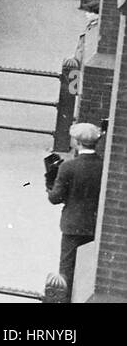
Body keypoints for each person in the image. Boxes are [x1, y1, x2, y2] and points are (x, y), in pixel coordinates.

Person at [46, 123, 104, 288]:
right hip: (94, 225)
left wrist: (50, 185)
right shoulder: (103, 166)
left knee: (66, 269)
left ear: (77, 142)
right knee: (88, 272)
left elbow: (55, 198)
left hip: (72, 225)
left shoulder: (68, 167)